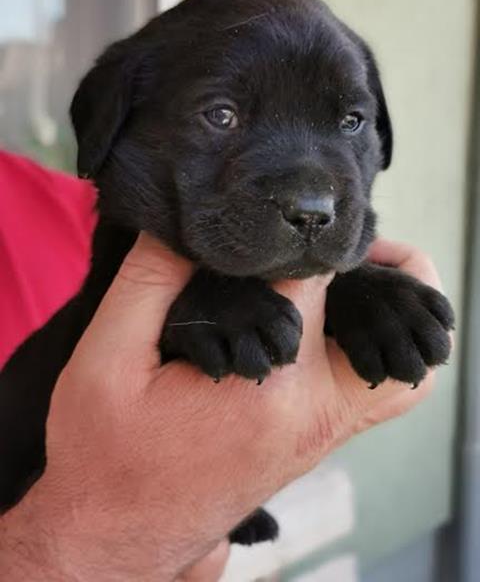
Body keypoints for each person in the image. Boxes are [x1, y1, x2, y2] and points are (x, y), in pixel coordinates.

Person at [0, 149, 445, 581]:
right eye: (221, 117)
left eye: (349, 122)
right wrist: (96, 545)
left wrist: (357, 295)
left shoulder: (69, 205)